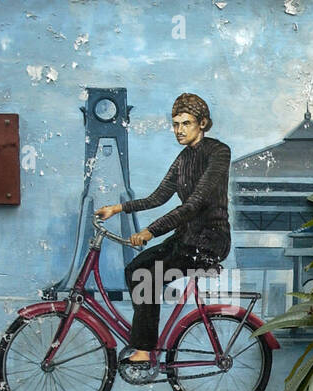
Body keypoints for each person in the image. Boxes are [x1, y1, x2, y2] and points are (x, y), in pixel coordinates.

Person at [94, 92, 231, 365]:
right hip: (185, 238)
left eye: (186, 123)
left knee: (147, 276)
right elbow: (158, 197)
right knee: (135, 269)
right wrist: (117, 208)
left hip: (209, 240)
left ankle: (145, 350)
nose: (179, 130)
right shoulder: (182, 159)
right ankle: (145, 341)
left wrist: (150, 231)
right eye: (175, 124)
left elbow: (194, 204)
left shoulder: (218, 152)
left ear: (202, 123)